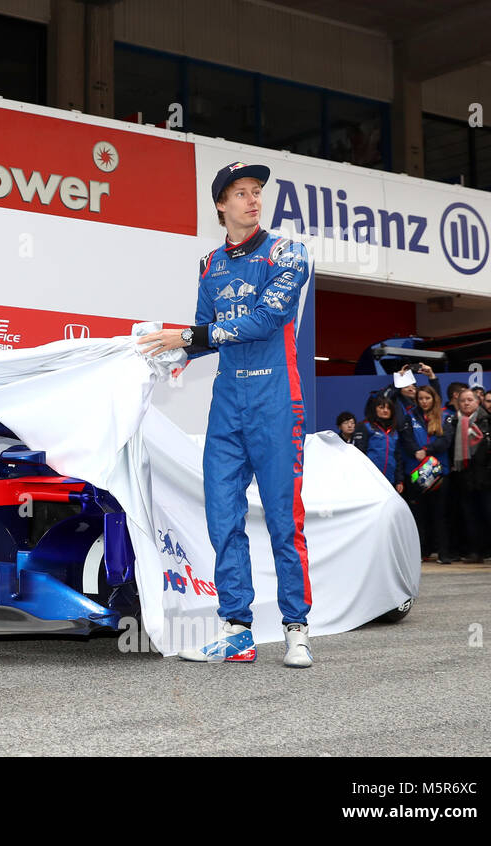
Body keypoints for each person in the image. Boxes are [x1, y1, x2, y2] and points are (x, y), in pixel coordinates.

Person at [138, 161, 314, 668]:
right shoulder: (209, 263)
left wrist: (189, 340)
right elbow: (202, 329)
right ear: (221, 205)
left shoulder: (288, 252)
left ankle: (296, 628)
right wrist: (165, 355)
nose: (253, 200)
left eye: (257, 191)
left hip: (277, 402)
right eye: (241, 193)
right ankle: (237, 630)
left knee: (284, 519)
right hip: (227, 408)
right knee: (223, 518)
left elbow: (267, 318)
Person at [398, 384, 453, 563]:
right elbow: (406, 439)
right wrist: (416, 452)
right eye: (420, 398)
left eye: (427, 398)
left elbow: (446, 440)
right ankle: (421, 552)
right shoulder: (409, 417)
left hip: (439, 472)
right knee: (418, 515)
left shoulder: (445, 417)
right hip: (415, 472)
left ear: (434, 399)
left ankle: (444, 553)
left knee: (440, 514)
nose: (423, 401)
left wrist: (427, 450)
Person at [449, 388, 491, 563]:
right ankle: (474, 552)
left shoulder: (488, 420)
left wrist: (488, 471)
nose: (466, 403)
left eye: (470, 400)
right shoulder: (454, 422)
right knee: (470, 517)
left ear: (478, 402)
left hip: (486, 477)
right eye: (463, 400)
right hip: (464, 477)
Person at [355, 393, 405, 492]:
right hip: (370, 480)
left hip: (390, 480)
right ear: (375, 409)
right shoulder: (365, 426)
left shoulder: (394, 431)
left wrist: (399, 480)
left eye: (388, 408)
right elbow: (359, 453)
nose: (385, 410)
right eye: (381, 407)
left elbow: (398, 457)